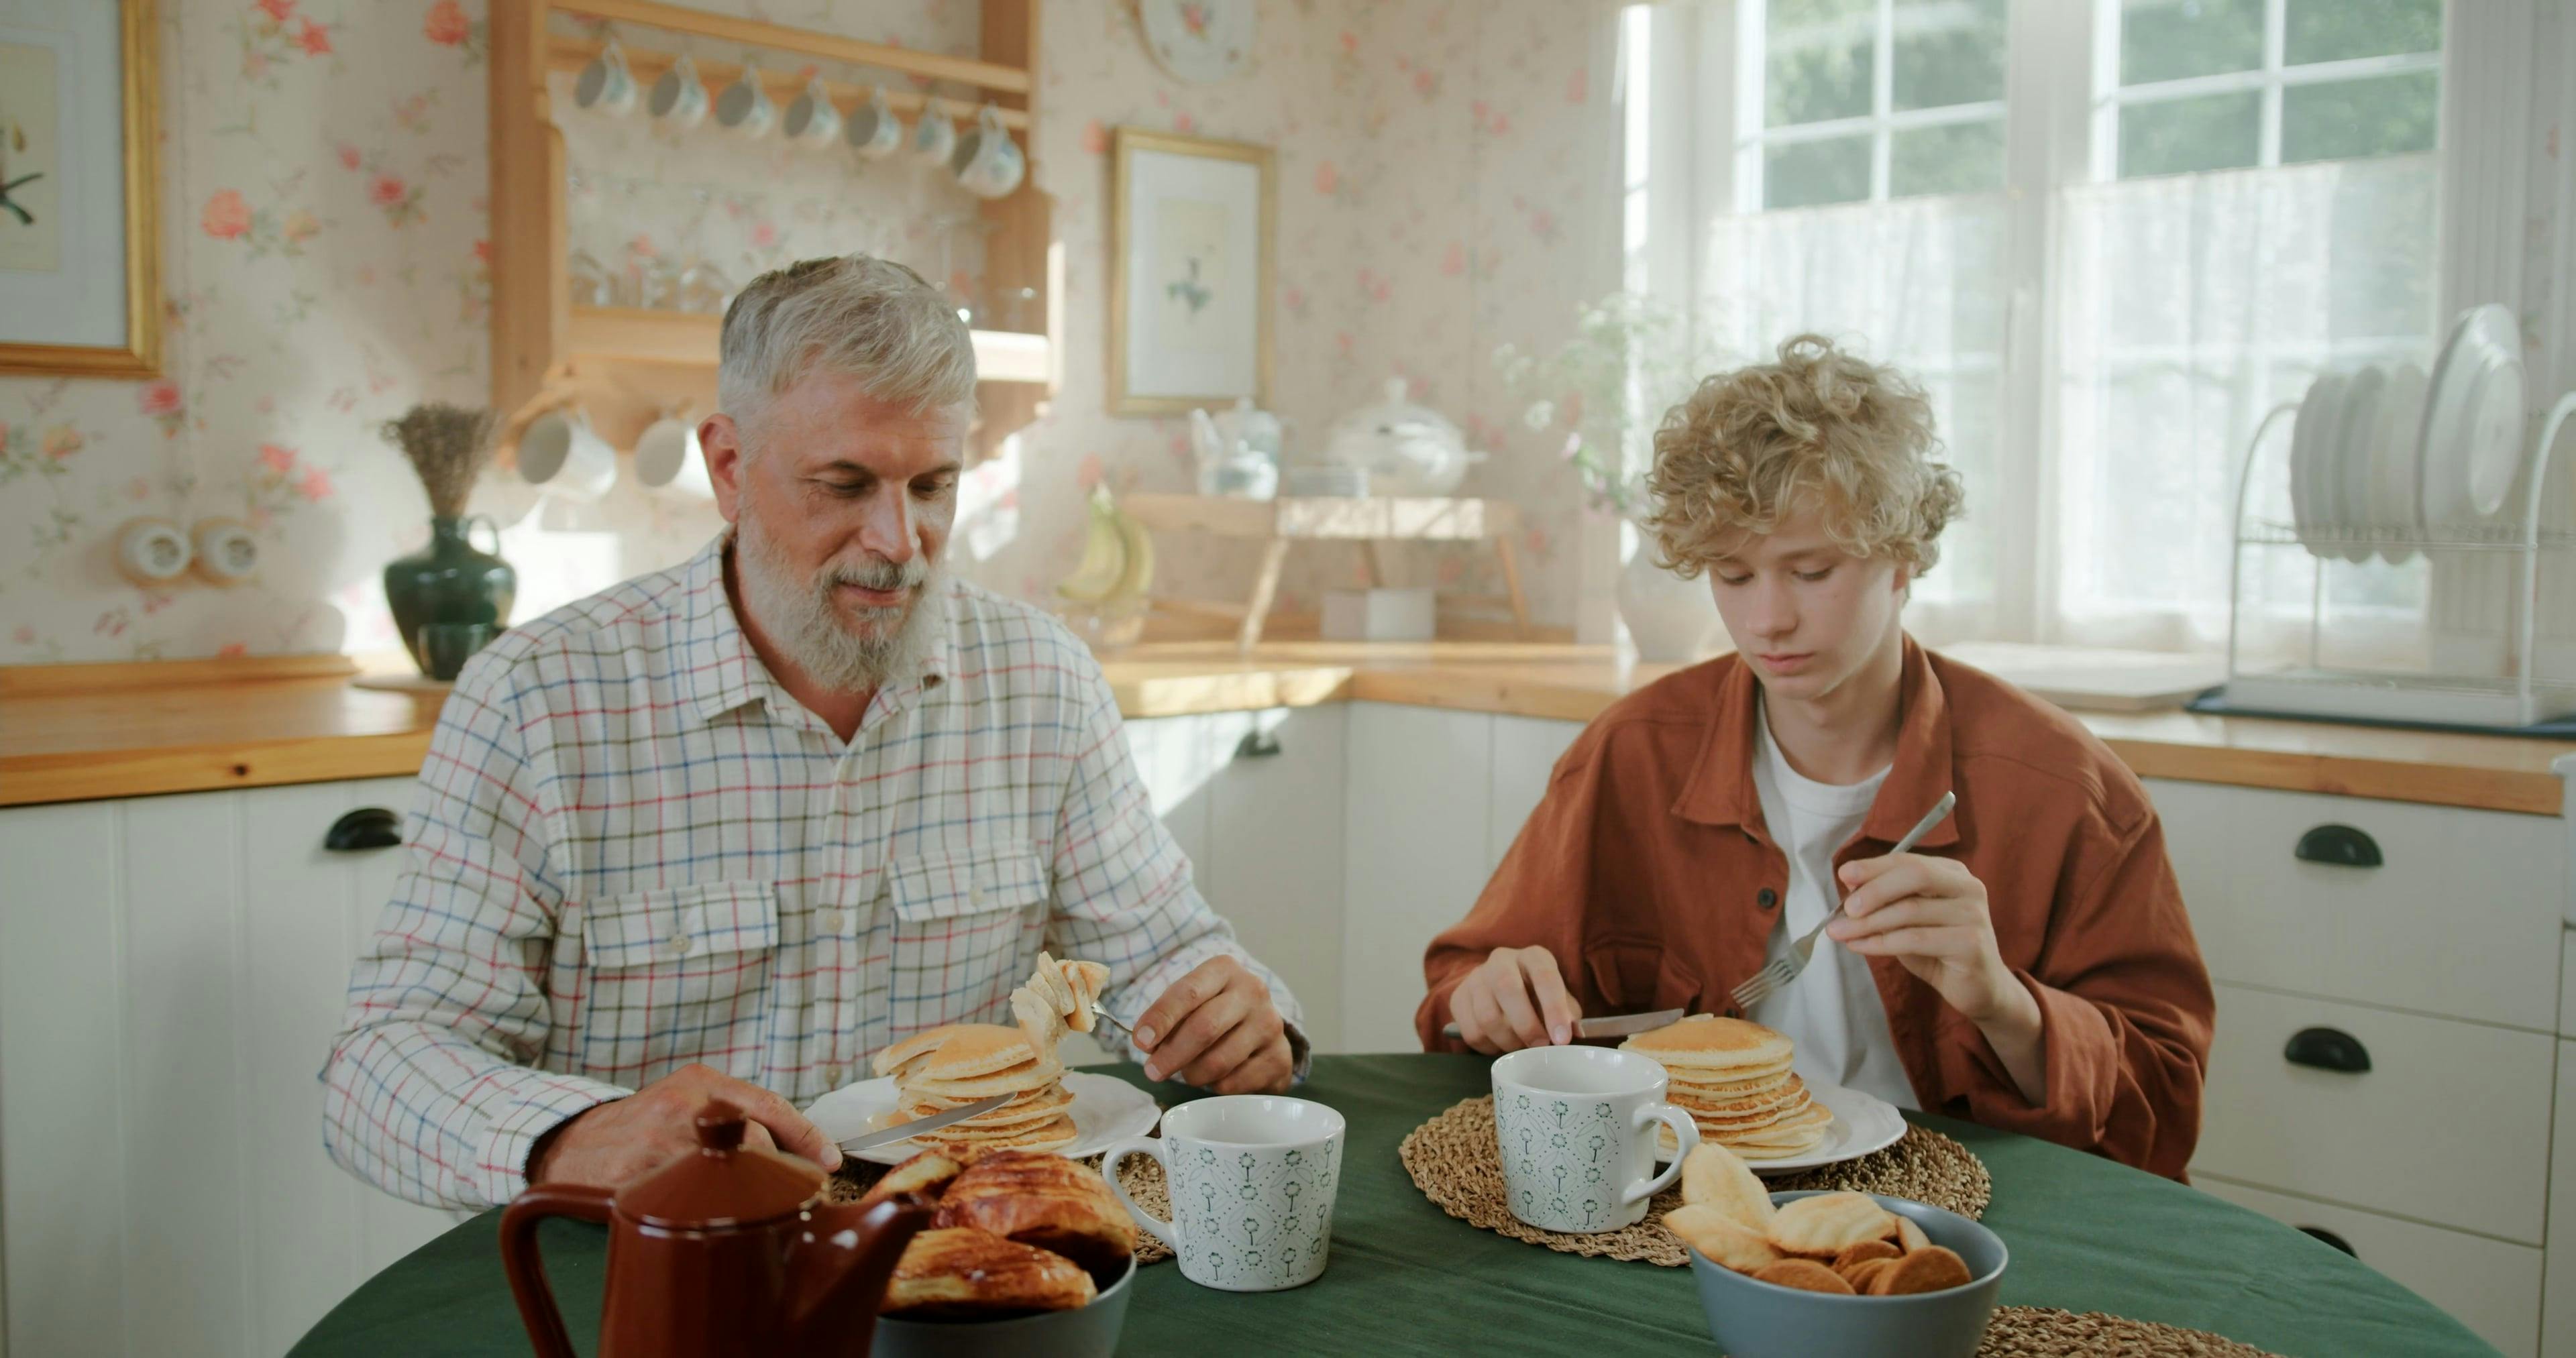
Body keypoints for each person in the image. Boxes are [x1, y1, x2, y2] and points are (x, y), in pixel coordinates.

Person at [325, 256, 1305, 1210]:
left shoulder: (1042, 681)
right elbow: (381, 1064)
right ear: (729, 467)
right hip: (664, 1266)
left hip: (965, 1255)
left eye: (933, 487)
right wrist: (572, 1136)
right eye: (843, 485)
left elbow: (1162, 955)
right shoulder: (537, 700)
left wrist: (1234, 1022)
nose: (898, 542)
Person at [1417, 335, 2213, 1178]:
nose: (1767, 621)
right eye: (1733, 576)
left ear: (1903, 558)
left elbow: (2163, 1113)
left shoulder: (2068, 793)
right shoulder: (1632, 754)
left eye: (1811, 571)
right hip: (1676, 1196)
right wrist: (1487, 997)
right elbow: (1462, 995)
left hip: (1965, 1208)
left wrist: (2003, 1003)